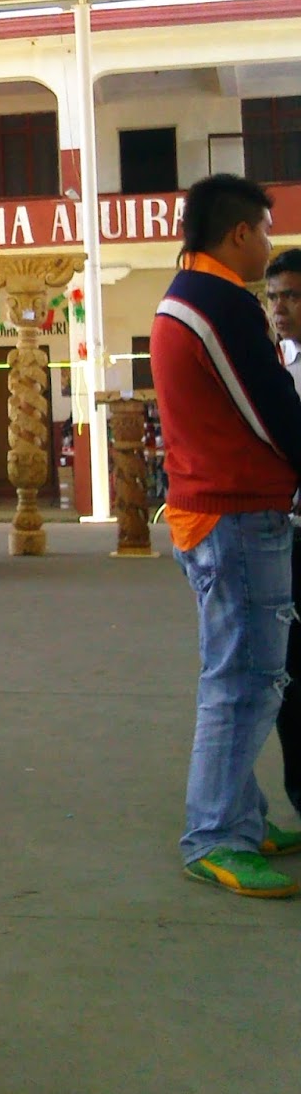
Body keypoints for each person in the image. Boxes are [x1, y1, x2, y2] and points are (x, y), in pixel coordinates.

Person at [151, 174, 301, 897]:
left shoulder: (186, 295)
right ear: (240, 233)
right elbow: (271, 409)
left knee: (238, 673)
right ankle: (214, 836)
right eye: (266, 232)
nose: (269, 246)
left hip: (219, 512)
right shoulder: (219, 303)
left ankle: (241, 815)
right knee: (245, 683)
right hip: (236, 514)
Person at [265, 246, 301, 823]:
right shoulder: (281, 364)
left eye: (292, 295)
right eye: (273, 297)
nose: (279, 308)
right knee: (290, 677)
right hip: (289, 537)